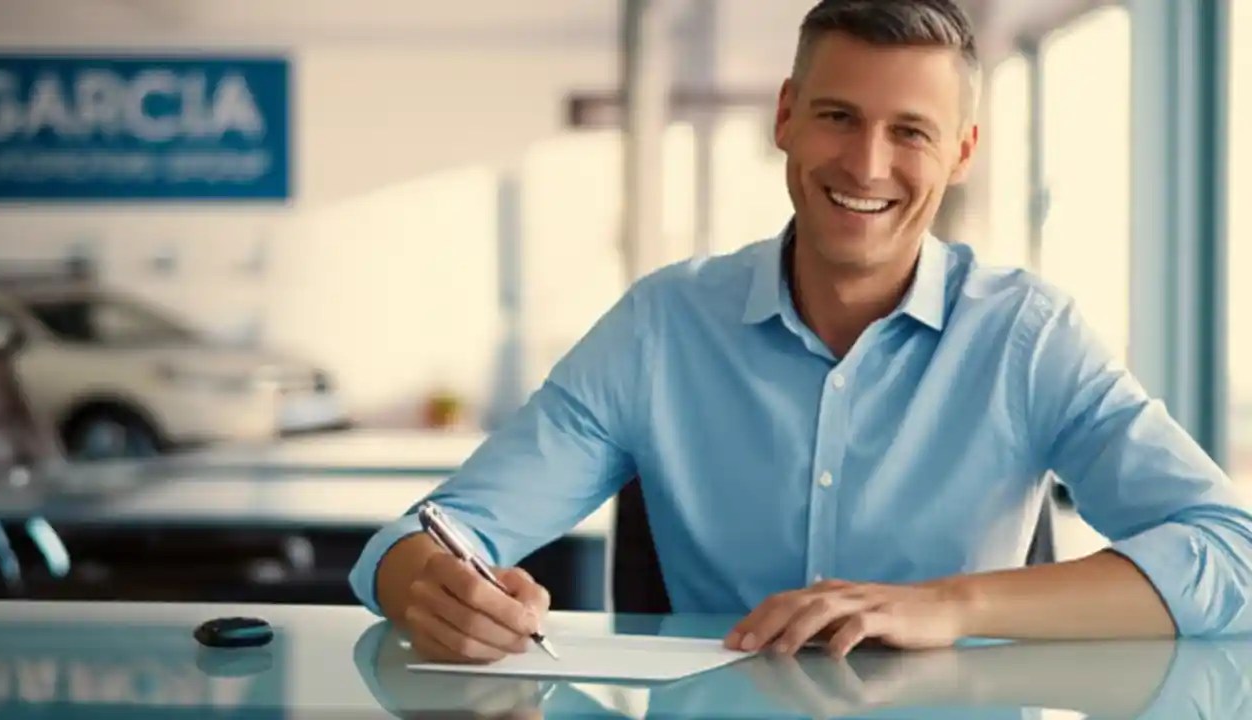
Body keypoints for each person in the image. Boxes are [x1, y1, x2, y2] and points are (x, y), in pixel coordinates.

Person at [350, 0, 1252, 663]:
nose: (866, 164)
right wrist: (429, 588)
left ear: (962, 151)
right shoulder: (661, 328)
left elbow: (1234, 556)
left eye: (910, 132)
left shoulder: (1027, 334)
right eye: (837, 117)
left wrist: (949, 606)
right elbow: (429, 537)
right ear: (786, 116)